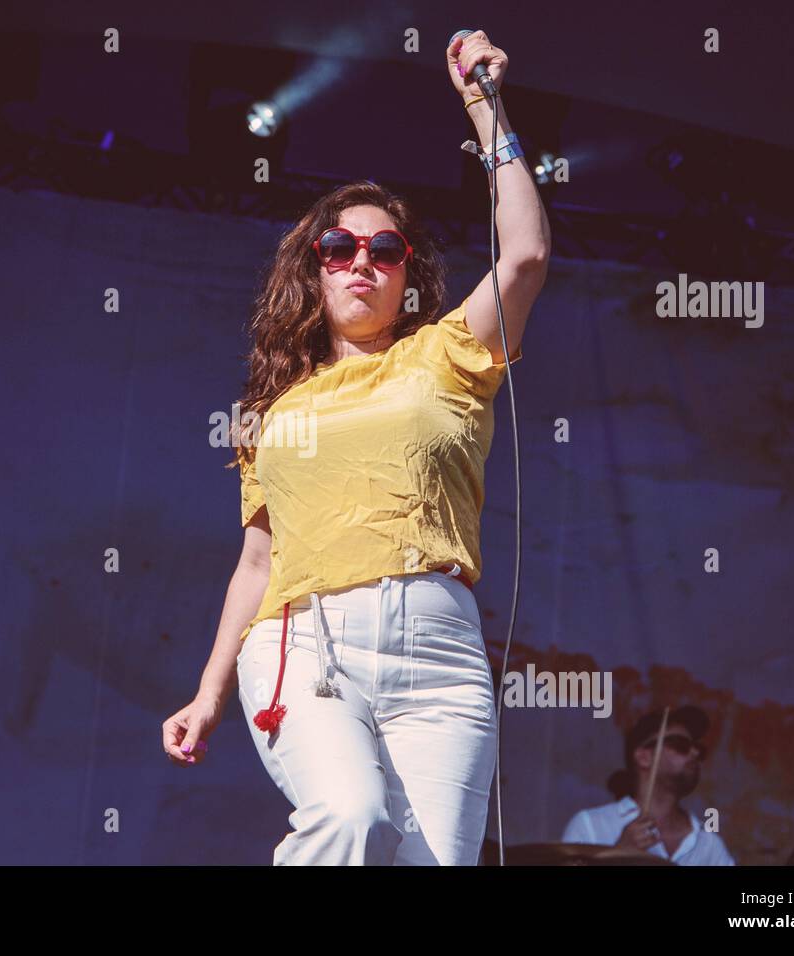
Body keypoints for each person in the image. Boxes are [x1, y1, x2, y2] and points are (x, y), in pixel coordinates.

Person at [163, 31, 551, 865]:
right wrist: (208, 691)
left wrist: (485, 108)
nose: (361, 263)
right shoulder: (269, 410)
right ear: (316, 270)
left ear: (409, 274)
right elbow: (258, 561)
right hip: (311, 641)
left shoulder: (445, 352)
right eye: (339, 249)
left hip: (443, 654)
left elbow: (525, 254)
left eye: (385, 250)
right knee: (352, 816)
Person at [561, 706, 737, 865]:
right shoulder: (591, 826)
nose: (695, 753)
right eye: (680, 745)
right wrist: (618, 856)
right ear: (644, 757)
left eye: (699, 749)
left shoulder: (709, 845)